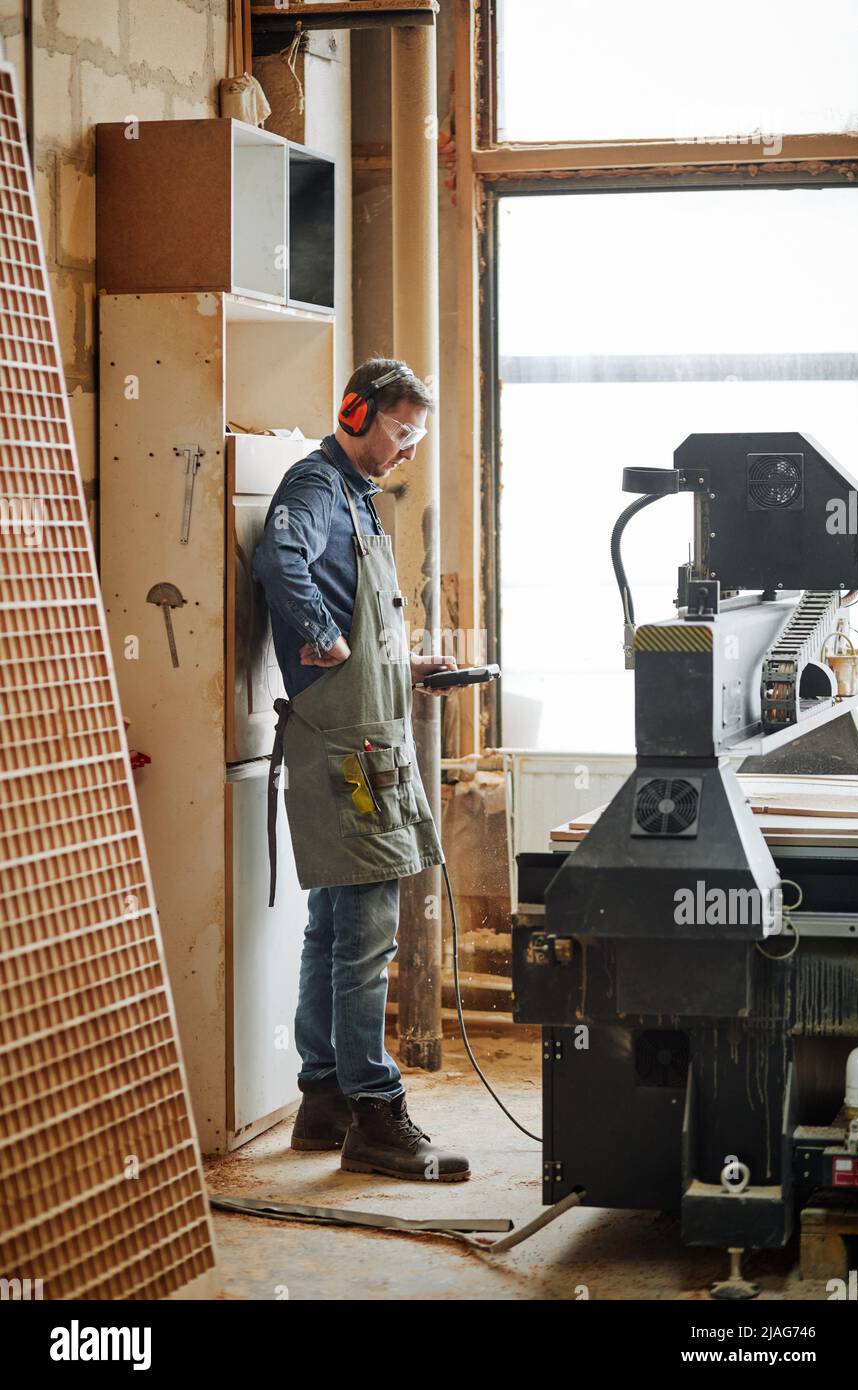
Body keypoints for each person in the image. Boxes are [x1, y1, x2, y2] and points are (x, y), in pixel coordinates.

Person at [252, 357, 471, 1182]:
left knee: (334, 927)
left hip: (363, 729)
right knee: (367, 932)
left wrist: (403, 666)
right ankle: (375, 1113)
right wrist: (321, 633)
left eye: (417, 435)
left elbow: (354, 614)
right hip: (350, 747)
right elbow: (281, 562)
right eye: (401, 432)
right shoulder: (314, 488)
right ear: (355, 412)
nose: (409, 450)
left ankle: (324, 1098)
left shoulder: (359, 499)